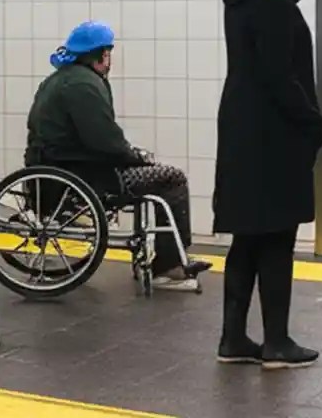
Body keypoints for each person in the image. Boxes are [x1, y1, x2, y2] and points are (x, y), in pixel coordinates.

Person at [214, 0, 322, 370]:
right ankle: (277, 341)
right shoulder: (275, 4)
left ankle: (233, 338)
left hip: (241, 127)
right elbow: (280, 76)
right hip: (275, 133)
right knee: (278, 236)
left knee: (247, 236)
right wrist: (311, 121)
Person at [25, 21, 211, 292]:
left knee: (153, 174)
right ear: (102, 54)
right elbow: (104, 140)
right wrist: (135, 156)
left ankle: (168, 258)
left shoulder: (60, 79)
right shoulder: (83, 84)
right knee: (171, 178)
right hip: (86, 176)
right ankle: (168, 268)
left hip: (61, 170)